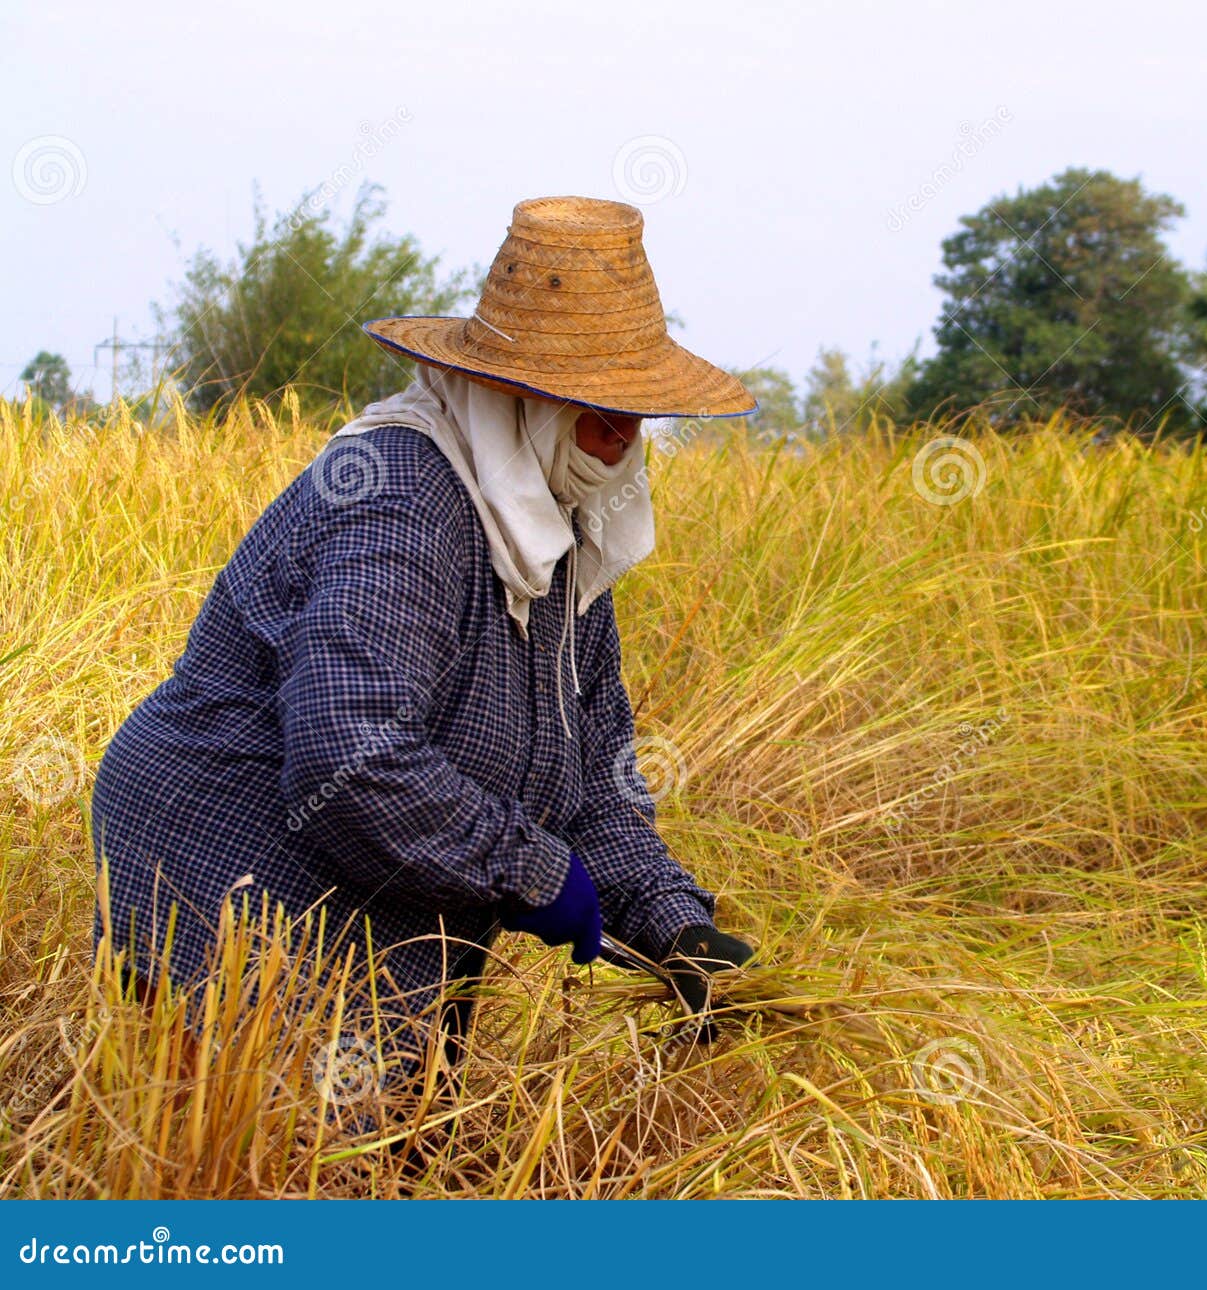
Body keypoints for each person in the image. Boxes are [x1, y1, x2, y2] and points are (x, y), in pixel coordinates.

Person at [90, 196, 758, 1090]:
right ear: (513, 394)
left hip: (380, 892)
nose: (620, 433)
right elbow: (351, 756)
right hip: (230, 876)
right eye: (591, 402)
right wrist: (532, 873)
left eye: (634, 408)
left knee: (396, 1132)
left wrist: (673, 923)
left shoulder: (558, 537)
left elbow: (593, 776)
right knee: (279, 1150)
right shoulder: (400, 500)